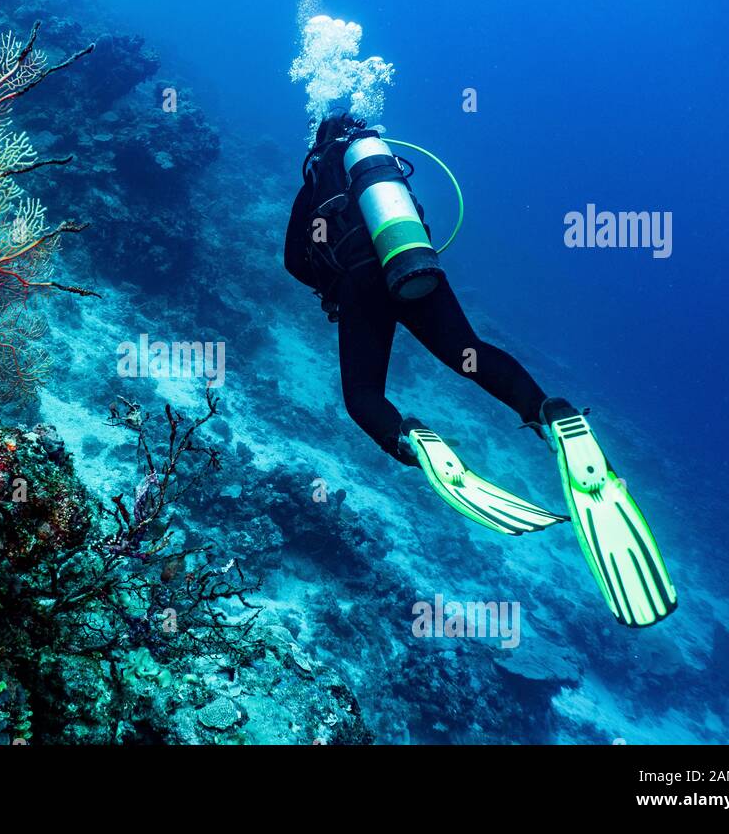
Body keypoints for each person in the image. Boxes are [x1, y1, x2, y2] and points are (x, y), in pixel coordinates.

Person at [283, 111, 677, 628]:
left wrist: (328, 283)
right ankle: (550, 412)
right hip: (412, 266)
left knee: (363, 395)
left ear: (319, 139)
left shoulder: (319, 172)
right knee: (469, 352)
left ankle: (414, 439)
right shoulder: (383, 167)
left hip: (360, 280)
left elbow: (293, 258)